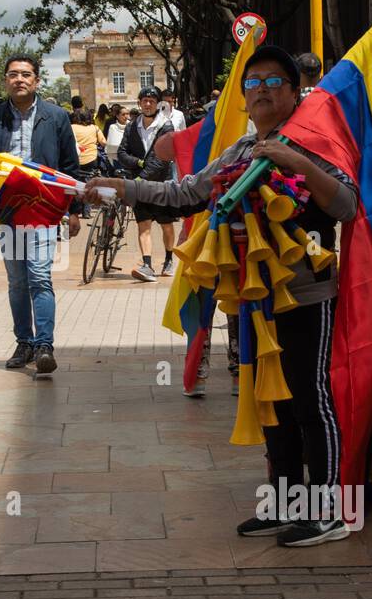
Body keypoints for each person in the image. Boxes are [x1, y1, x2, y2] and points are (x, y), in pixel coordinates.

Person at [86, 45, 358, 548]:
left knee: (308, 396)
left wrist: (291, 158)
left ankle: (328, 511)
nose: (261, 91)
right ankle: (284, 505)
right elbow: (182, 194)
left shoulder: (315, 143)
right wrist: (117, 186)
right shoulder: (239, 152)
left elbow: (345, 205)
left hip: (306, 292)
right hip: (253, 298)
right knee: (271, 399)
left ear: (296, 92)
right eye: (252, 84)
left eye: (273, 81)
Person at [0, 55, 82, 375]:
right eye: (13, 74)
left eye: (26, 74)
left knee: (40, 276)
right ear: (5, 80)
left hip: (43, 208)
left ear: (37, 81)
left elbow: (70, 167)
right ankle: (24, 342)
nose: (20, 79)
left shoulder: (56, 117)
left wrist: (74, 211)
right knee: (17, 281)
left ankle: (45, 344)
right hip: (7, 209)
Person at [117, 86, 177, 280]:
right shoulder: (132, 126)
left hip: (161, 184)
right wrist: (137, 163)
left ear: (158, 103)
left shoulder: (166, 126)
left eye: (152, 101)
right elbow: (122, 153)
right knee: (143, 225)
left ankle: (169, 260)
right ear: (139, 103)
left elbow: (162, 158)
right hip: (139, 185)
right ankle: (147, 265)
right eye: (144, 101)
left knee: (166, 225)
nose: (148, 104)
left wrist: (141, 178)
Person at [70, 107, 107, 178]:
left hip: (76, 160)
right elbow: (103, 142)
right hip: (92, 159)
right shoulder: (95, 128)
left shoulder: (71, 127)